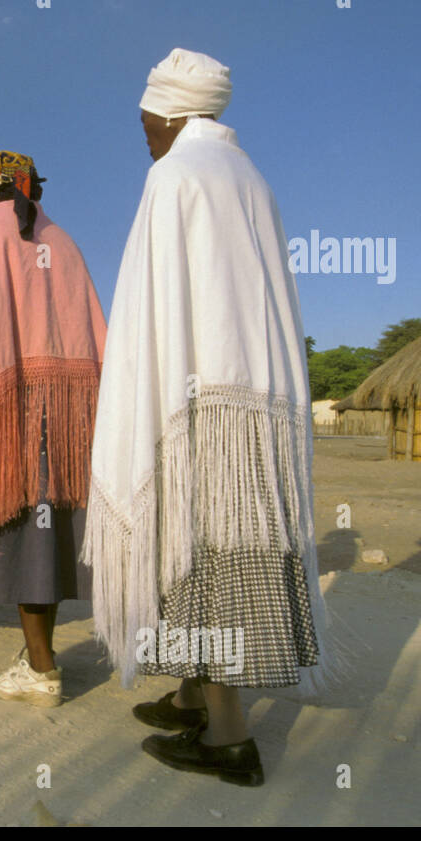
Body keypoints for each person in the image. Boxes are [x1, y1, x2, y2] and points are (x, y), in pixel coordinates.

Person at [83, 48, 327, 786]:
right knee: (220, 555)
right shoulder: (248, 178)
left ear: (168, 112)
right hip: (258, 407)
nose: (145, 134)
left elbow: (153, 312)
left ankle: (228, 737)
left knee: (204, 561)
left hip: (200, 409)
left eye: (145, 122)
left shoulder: (174, 174)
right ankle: (191, 692)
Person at [0, 151, 106, 706]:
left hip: (11, 409)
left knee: (29, 534)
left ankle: (42, 667)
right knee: (49, 531)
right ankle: (40, 657)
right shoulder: (64, 238)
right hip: (69, 409)